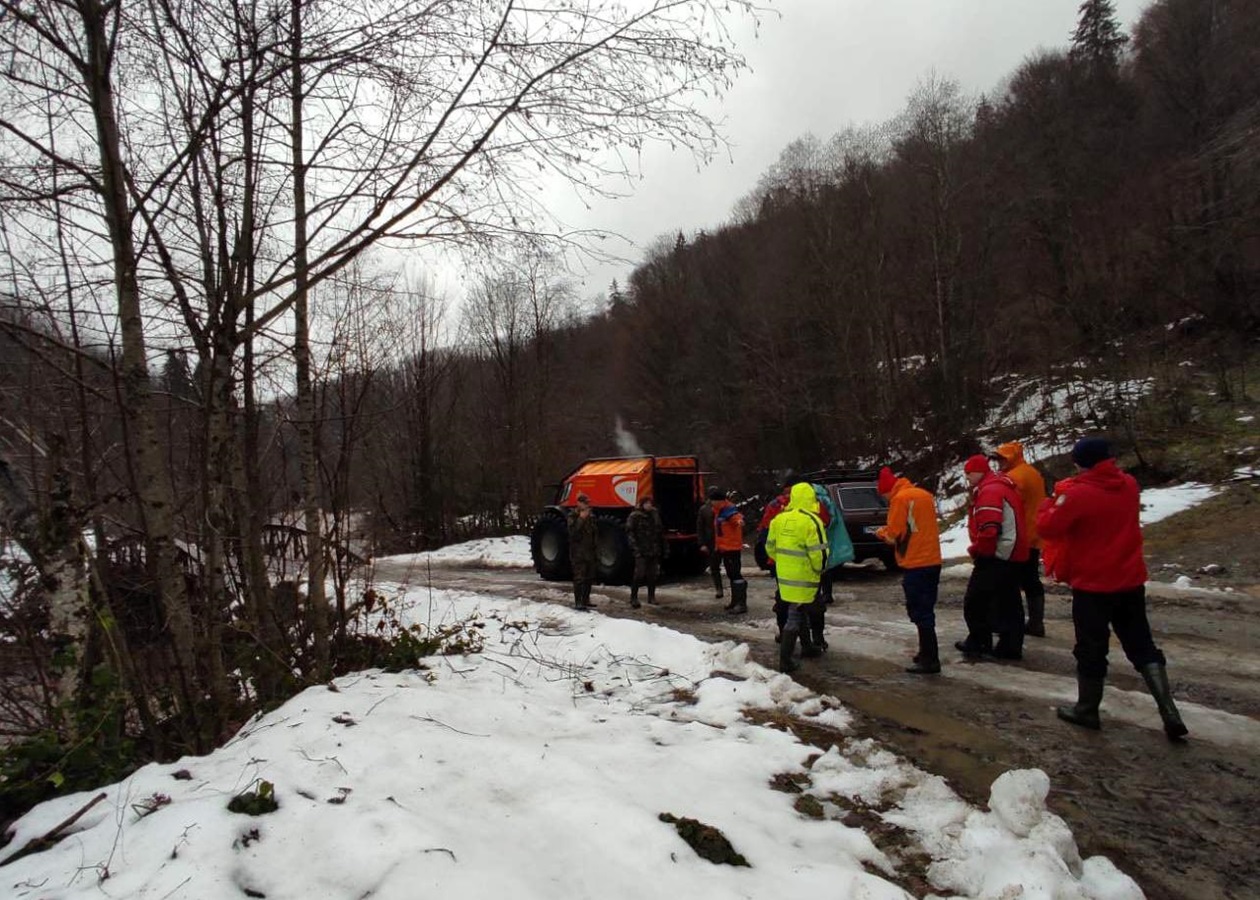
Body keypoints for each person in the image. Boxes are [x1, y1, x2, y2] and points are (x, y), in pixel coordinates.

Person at [1037, 437, 1188, 740]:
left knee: (1091, 648)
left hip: (1092, 585)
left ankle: (1087, 709)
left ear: (1082, 462)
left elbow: (1047, 528)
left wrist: (1051, 502)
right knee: (1141, 644)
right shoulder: (1129, 485)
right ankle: (1168, 709)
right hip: (1129, 580)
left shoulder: (1078, 494)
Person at [954, 454, 1028, 660]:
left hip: (998, 554)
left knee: (975, 601)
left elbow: (989, 529)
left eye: (969, 473)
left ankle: (979, 641)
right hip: (1014, 552)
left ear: (979, 472)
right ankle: (1010, 645)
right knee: (1009, 601)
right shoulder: (1003, 487)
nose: (967, 477)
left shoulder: (989, 492)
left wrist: (980, 551)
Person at [875, 466, 943, 674]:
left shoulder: (900, 500)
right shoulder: (924, 494)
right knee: (927, 608)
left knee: (920, 611)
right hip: (932, 559)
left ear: (887, 490)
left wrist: (880, 532)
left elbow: (895, 533)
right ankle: (926, 653)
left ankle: (930, 658)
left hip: (915, 562)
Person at [765, 483, 828, 673]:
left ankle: (806, 647)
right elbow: (819, 553)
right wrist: (820, 570)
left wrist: (785, 564)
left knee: (796, 612)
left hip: (785, 578)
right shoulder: (811, 521)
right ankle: (786, 660)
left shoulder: (779, 519)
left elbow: (769, 547)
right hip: (806, 577)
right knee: (799, 614)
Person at [990, 442, 1049, 637]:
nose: (999, 463)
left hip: (1018, 536)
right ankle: (1035, 622)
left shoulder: (1014, 478)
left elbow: (1005, 507)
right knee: (1031, 579)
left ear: (1011, 458)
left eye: (1002, 458)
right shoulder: (1032, 472)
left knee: (1008, 582)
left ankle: (1008, 624)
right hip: (1033, 533)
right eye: (997, 458)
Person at [808, 482, 854, 652]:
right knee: (825, 568)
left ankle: (811, 639)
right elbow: (831, 519)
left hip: (816, 543)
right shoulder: (826, 499)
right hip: (825, 541)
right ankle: (827, 594)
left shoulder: (815, 502)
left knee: (818, 572)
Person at [710, 489, 747, 612]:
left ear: (720, 501)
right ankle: (735, 601)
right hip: (723, 548)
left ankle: (741, 604)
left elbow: (736, 518)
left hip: (732, 548)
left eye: (714, 501)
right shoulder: (718, 511)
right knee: (731, 575)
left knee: (735, 574)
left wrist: (739, 522)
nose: (712, 504)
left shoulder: (729, 510)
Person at [626, 496, 664, 609]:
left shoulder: (654, 515)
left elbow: (659, 531)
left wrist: (662, 547)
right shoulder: (635, 516)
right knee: (639, 574)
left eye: (650, 503)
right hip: (641, 550)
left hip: (653, 549)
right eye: (646, 503)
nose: (649, 505)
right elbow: (630, 532)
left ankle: (651, 597)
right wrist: (635, 548)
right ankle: (633, 598)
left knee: (652, 574)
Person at [568, 494, 598, 610]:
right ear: (579, 503)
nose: (587, 505)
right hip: (578, 552)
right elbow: (573, 533)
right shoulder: (573, 516)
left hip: (590, 551)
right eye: (585, 503)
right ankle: (578, 601)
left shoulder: (591, 517)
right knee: (579, 577)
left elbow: (595, 533)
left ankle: (586, 599)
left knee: (589, 577)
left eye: (588, 503)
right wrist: (581, 518)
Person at [696, 486, 722, 599]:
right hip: (711, 542)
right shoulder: (704, 509)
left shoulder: (724, 507)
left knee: (730, 568)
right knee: (714, 567)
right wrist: (702, 543)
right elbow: (700, 527)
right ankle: (719, 589)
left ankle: (733, 592)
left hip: (724, 541)